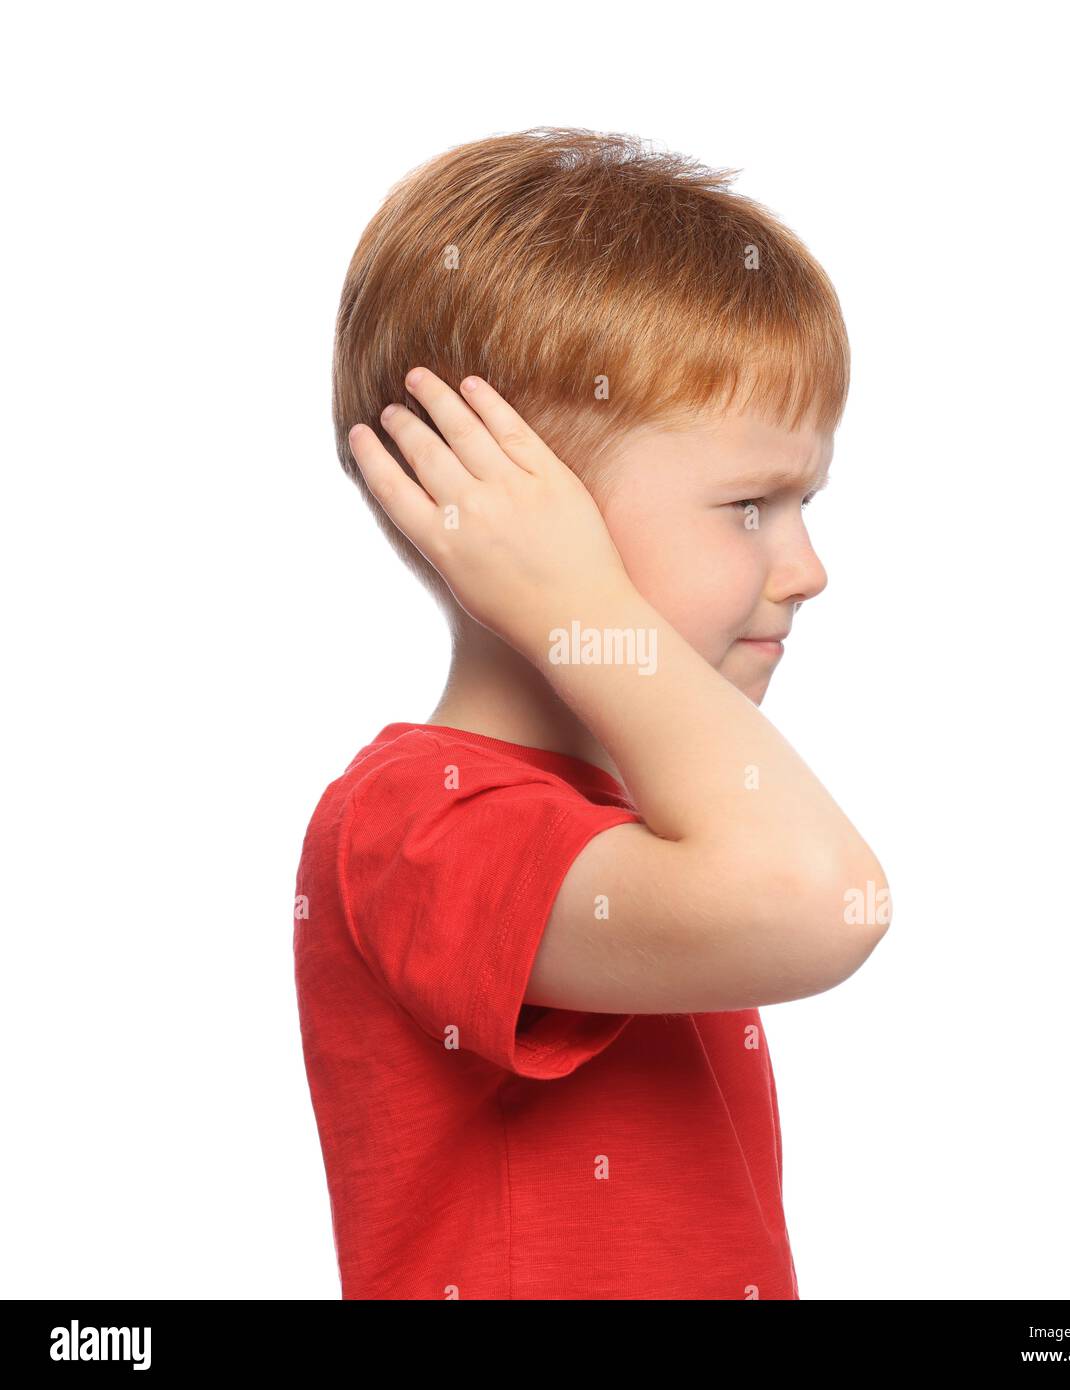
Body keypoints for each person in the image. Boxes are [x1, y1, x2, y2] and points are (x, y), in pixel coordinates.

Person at [294, 126, 892, 1300]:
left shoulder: (637, 823)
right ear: (524, 512)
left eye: (805, 498)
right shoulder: (417, 826)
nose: (808, 564)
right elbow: (821, 903)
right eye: (750, 504)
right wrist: (575, 603)